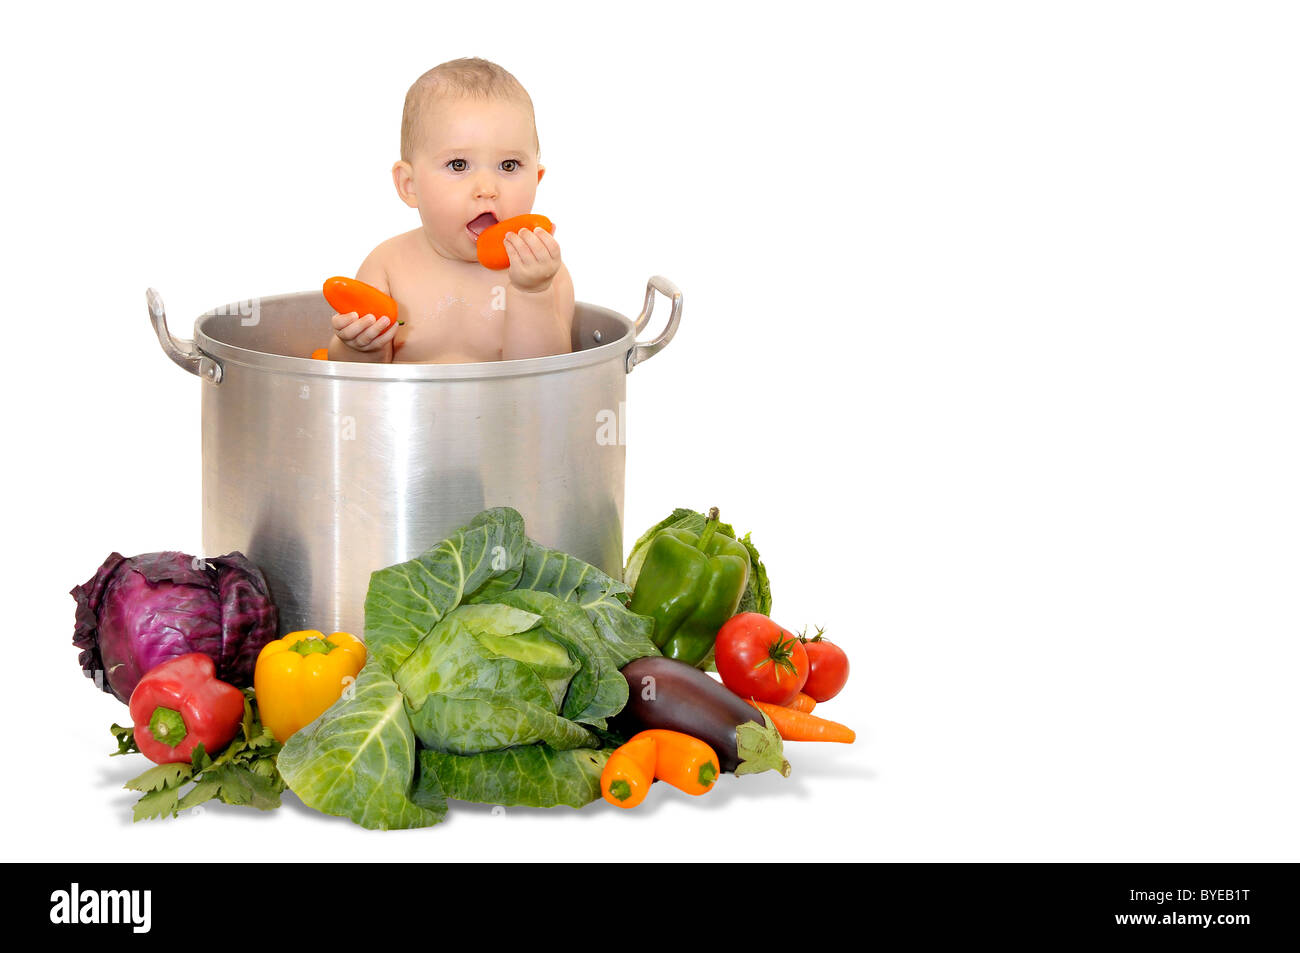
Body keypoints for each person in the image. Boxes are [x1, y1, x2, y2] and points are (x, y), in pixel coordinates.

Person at [328, 58, 574, 364]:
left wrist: (533, 294)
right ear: (410, 185)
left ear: (536, 180)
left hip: (506, 413)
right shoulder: (387, 266)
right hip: (403, 413)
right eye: (458, 165)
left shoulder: (547, 274)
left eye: (509, 165)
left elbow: (546, 383)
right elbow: (354, 383)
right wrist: (358, 347)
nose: (487, 187)